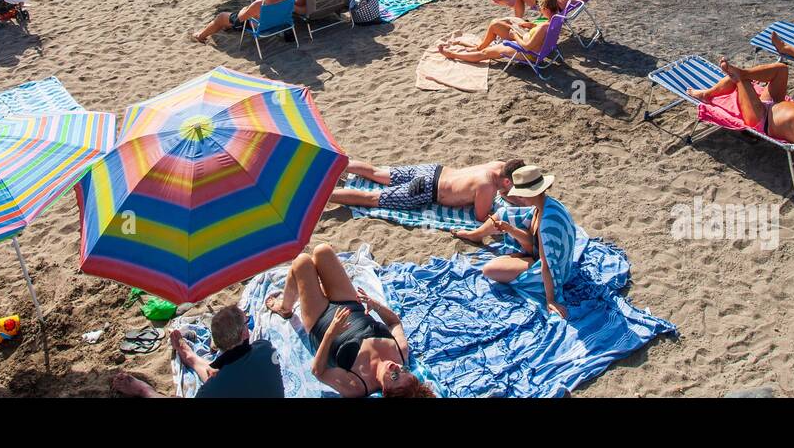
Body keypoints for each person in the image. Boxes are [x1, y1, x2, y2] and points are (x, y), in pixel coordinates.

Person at [265, 244, 432, 397]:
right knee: (322, 251)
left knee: (302, 263)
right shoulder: (400, 353)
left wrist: (331, 332)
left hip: (321, 322)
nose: (397, 367)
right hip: (350, 304)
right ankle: (324, 291)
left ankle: (285, 308)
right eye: (404, 370)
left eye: (395, 376)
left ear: (386, 391)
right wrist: (376, 306)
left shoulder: (358, 385)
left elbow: (318, 372)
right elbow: (394, 323)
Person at [451, 164, 572, 319]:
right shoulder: (545, 204)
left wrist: (550, 300)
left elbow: (547, 265)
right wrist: (509, 228)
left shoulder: (546, 222)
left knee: (489, 269)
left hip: (557, 271)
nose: (517, 198)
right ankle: (476, 235)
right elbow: (533, 239)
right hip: (544, 256)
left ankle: (522, 261)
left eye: (520, 194)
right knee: (504, 214)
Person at [110, 305, 284, 399]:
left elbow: (220, 376)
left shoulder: (210, 390)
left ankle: (144, 390)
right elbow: (233, 367)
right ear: (245, 333)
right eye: (247, 321)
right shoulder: (265, 349)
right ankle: (190, 357)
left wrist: (146, 391)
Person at [329, 157, 523, 221]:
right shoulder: (487, 185)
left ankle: (332, 163)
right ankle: (323, 195)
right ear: (507, 182)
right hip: (425, 187)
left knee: (376, 172)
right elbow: (481, 216)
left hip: (433, 169)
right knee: (371, 198)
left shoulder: (499, 165)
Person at [438, 0, 561, 64]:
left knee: (485, 53)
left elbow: (527, 47)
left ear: (545, 8)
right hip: (531, 41)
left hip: (528, 53)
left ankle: (452, 54)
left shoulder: (544, 27)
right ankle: (478, 47)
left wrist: (515, 36)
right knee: (496, 24)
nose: (540, 10)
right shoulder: (557, 19)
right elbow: (542, 34)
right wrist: (532, 25)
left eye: (540, 8)